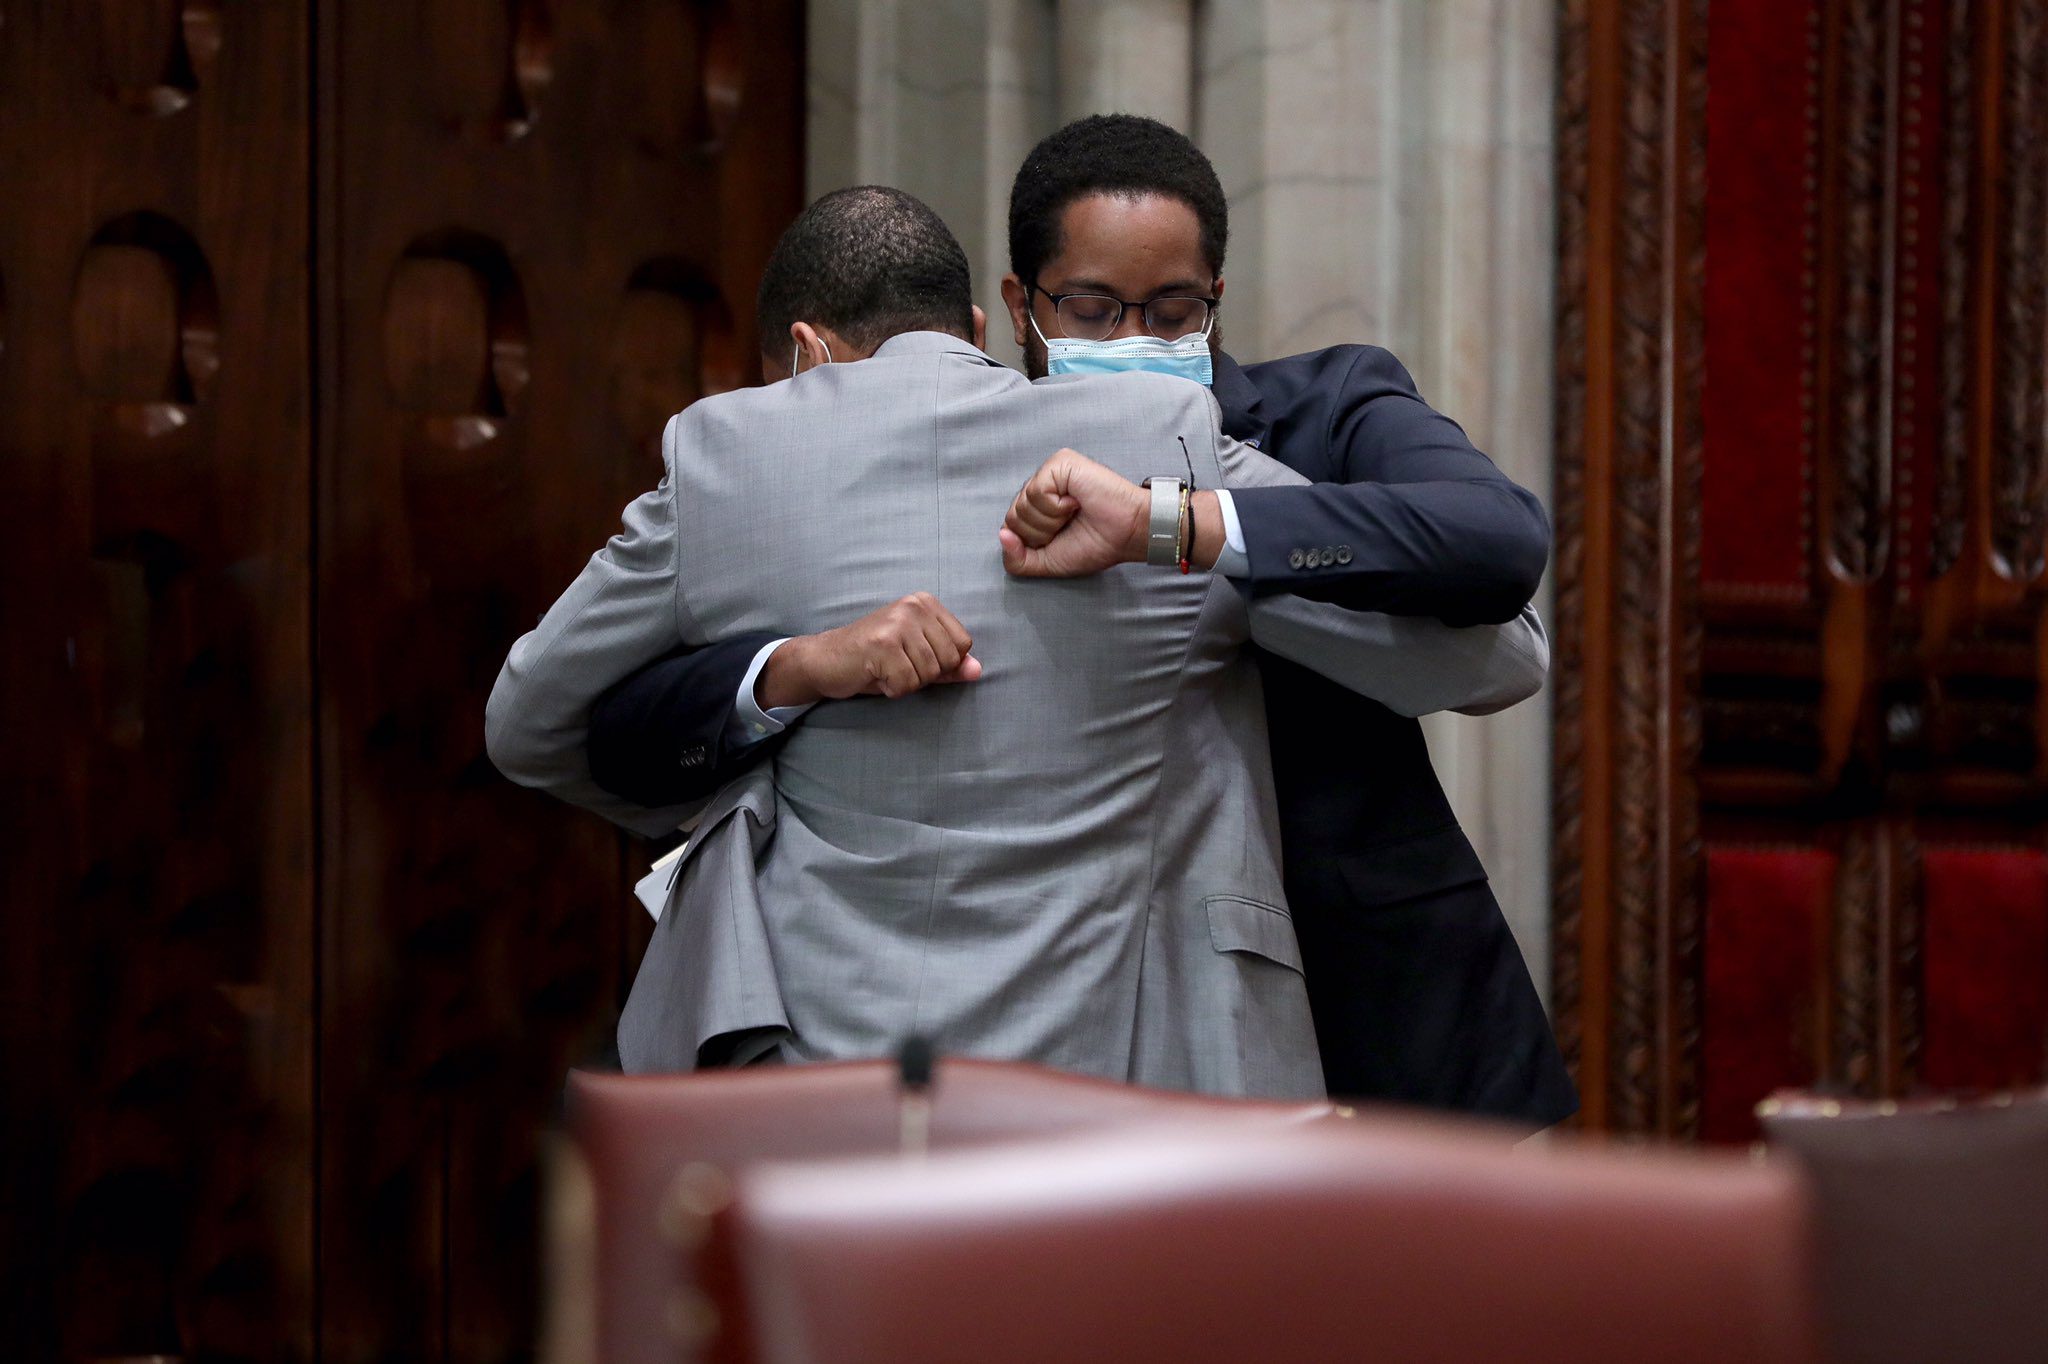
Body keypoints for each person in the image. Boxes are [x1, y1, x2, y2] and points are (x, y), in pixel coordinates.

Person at [582, 116, 1578, 1129]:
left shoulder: (1324, 407)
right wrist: (798, 667)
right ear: (1021, 308)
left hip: (1381, 995)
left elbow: (1498, 592)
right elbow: (619, 713)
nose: (1132, 340)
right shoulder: (988, 476)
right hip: (1127, 1021)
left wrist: (1189, 527)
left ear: (1214, 304)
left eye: (1171, 308)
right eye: (1094, 310)